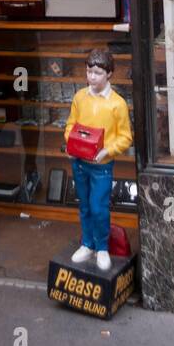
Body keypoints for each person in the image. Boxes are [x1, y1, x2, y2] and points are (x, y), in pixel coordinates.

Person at [64, 47, 133, 272]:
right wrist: (71, 142)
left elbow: (125, 137)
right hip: (80, 162)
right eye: (89, 72)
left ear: (109, 74)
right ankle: (87, 243)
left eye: (97, 73)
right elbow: (71, 125)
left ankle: (102, 247)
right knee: (84, 205)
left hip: (101, 166)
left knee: (99, 207)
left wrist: (107, 151)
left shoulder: (117, 104)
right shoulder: (79, 97)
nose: (92, 77)